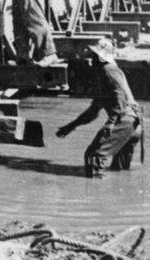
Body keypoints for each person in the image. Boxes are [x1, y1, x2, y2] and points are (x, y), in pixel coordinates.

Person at [54, 37, 143, 177]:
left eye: (94, 56)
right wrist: (71, 126)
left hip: (123, 120)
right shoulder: (107, 73)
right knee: (119, 171)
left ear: (101, 58)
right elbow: (93, 111)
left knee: (94, 156)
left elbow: (119, 98)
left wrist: (111, 124)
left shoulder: (108, 71)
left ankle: (93, 194)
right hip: (133, 125)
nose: (90, 60)